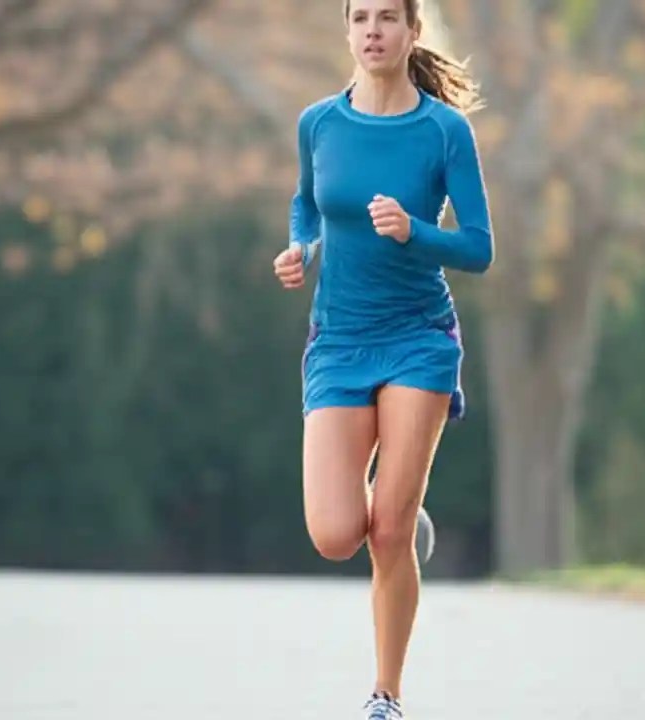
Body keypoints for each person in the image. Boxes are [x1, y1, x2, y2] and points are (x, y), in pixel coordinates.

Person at [272, 0, 493, 717]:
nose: (373, 30)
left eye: (387, 18)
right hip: (338, 340)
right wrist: (302, 248)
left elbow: (479, 248)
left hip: (419, 337)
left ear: (412, 31)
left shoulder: (444, 131)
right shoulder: (319, 123)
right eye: (360, 17)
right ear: (346, 30)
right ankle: (401, 508)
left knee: (387, 535)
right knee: (337, 534)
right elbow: (308, 204)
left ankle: (385, 696)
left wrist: (415, 232)